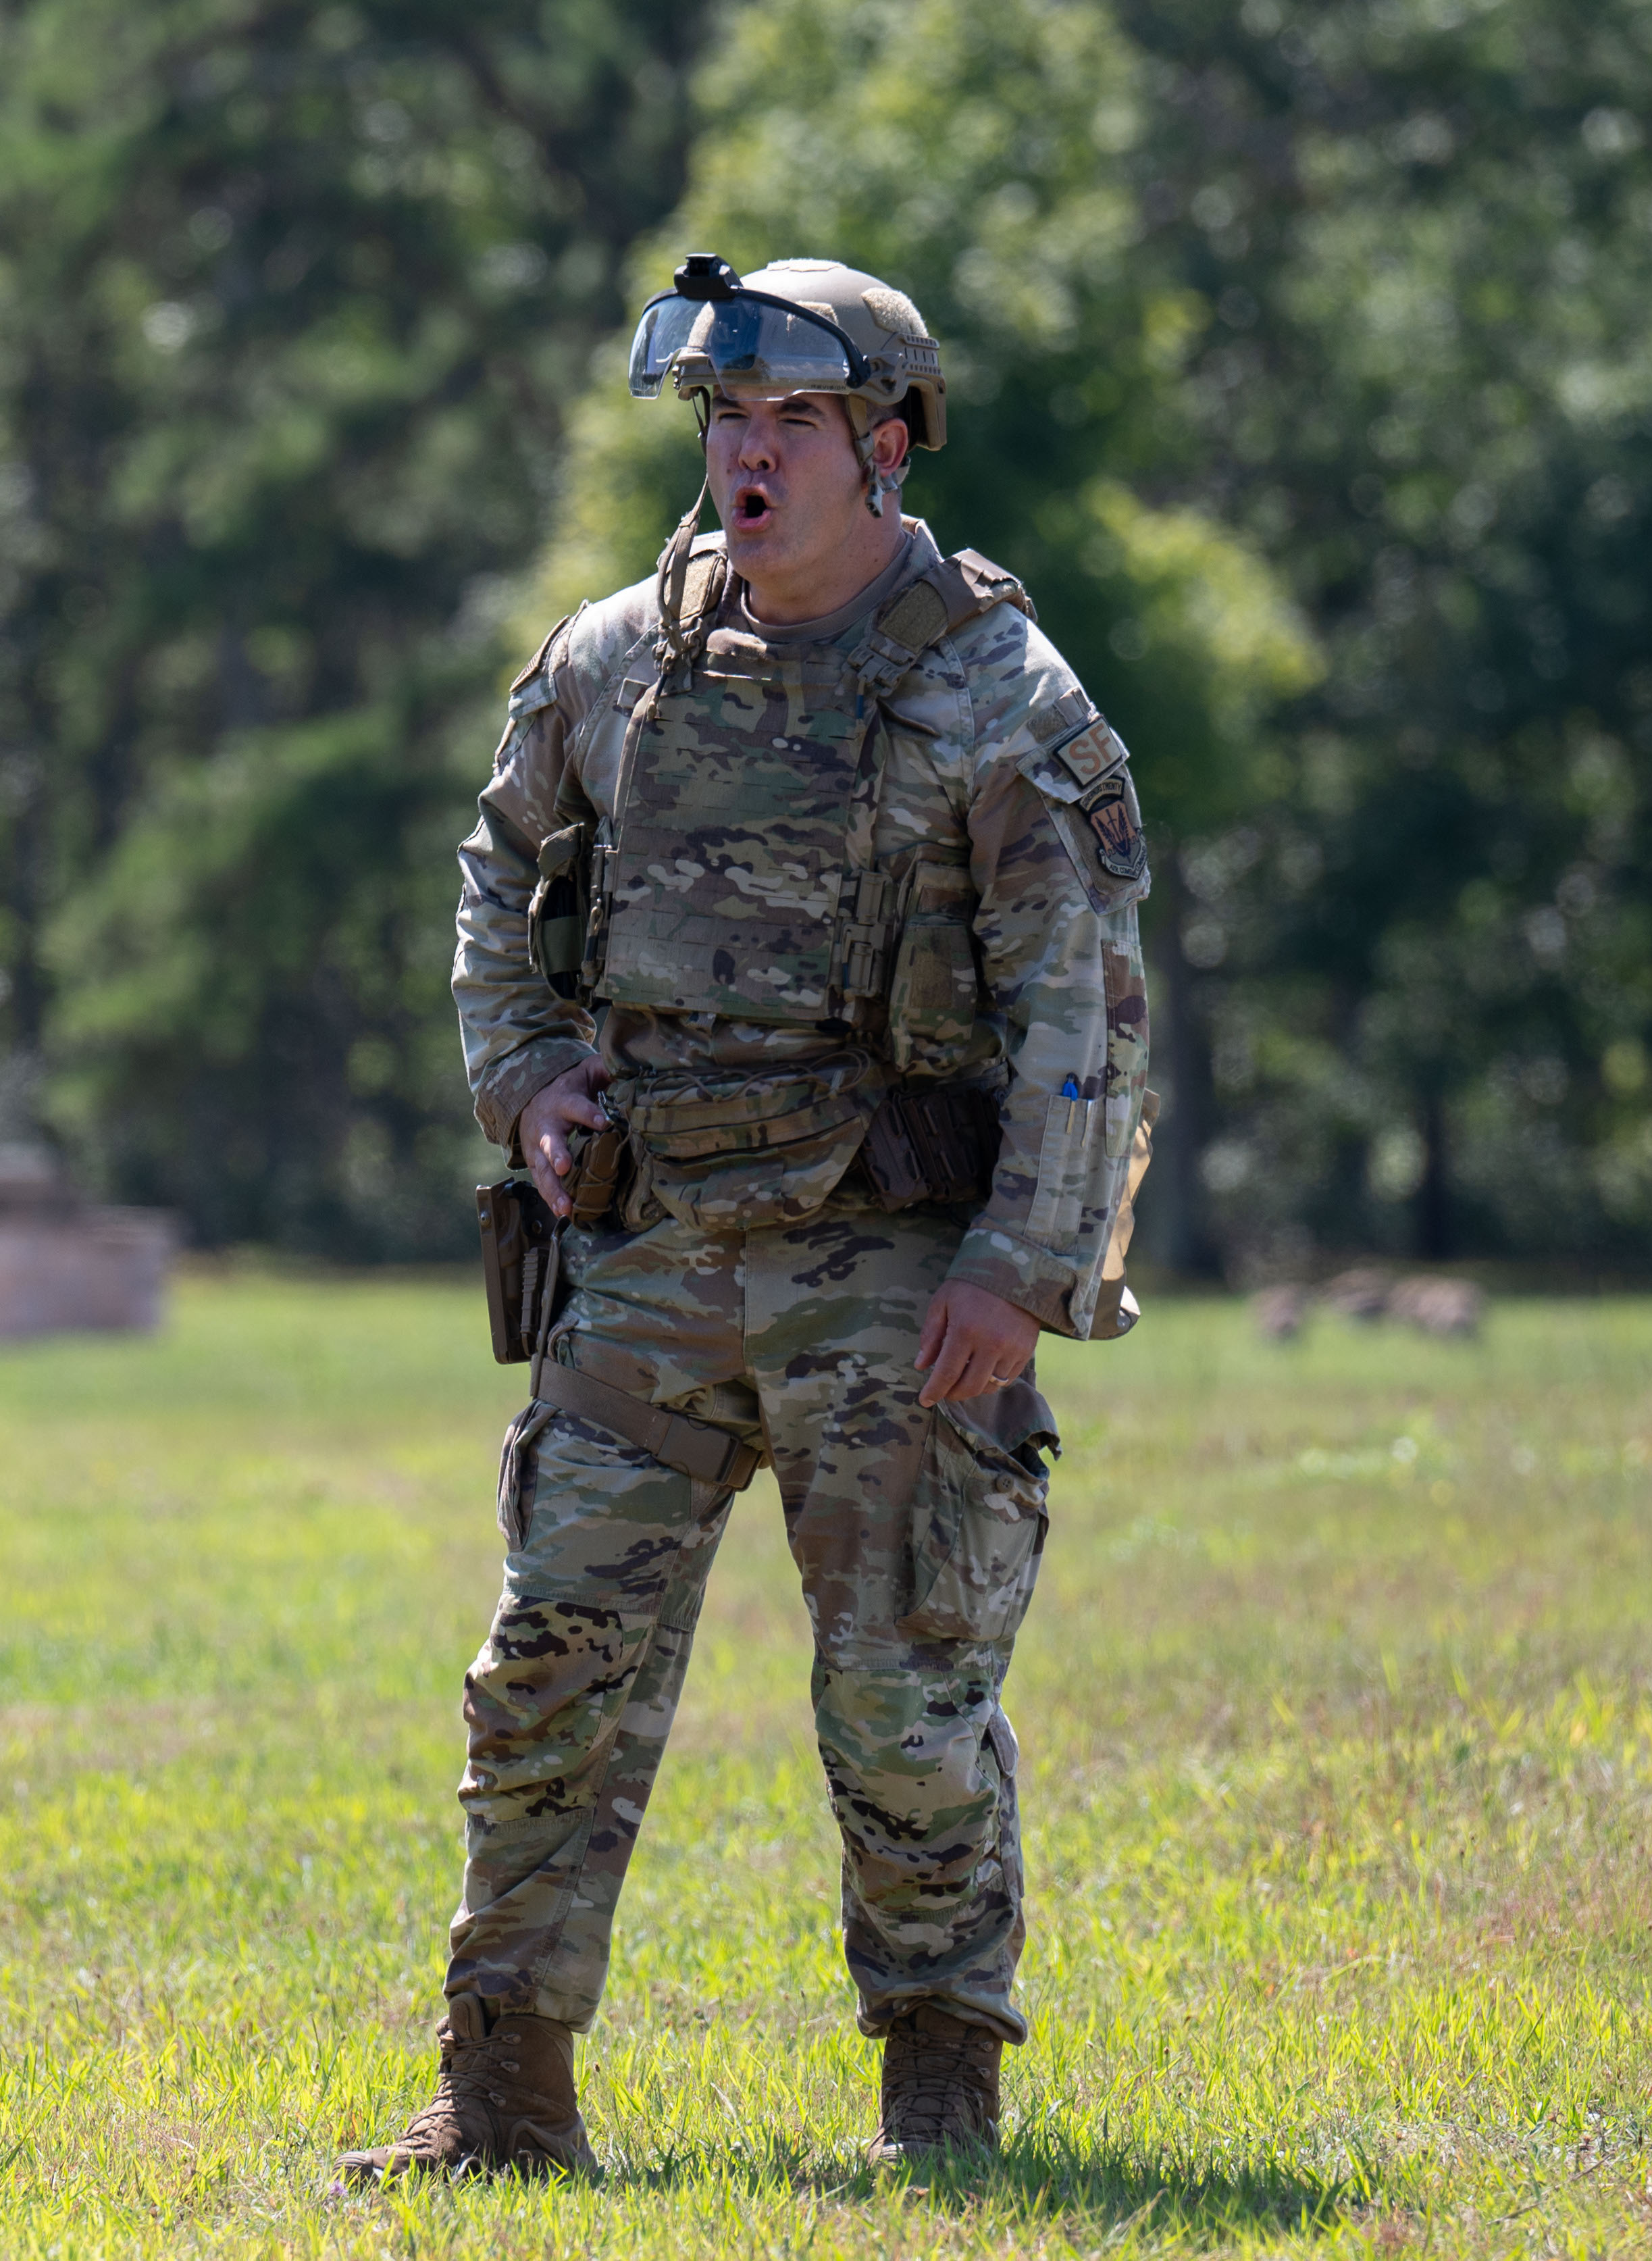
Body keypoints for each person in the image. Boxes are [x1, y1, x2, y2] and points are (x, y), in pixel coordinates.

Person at [337, 253, 1153, 2179]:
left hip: (895, 1270)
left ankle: (941, 2080)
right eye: (721, 421)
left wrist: (1020, 1273)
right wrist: (531, 1077)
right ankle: (505, 2095)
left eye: (787, 422)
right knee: (553, 1659)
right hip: (648, 1257)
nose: (746, 457)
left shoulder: (989, 690)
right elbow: (498, 879)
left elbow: (1081, 1002)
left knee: (903, 1685)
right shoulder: (619, 658)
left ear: (884, 445)